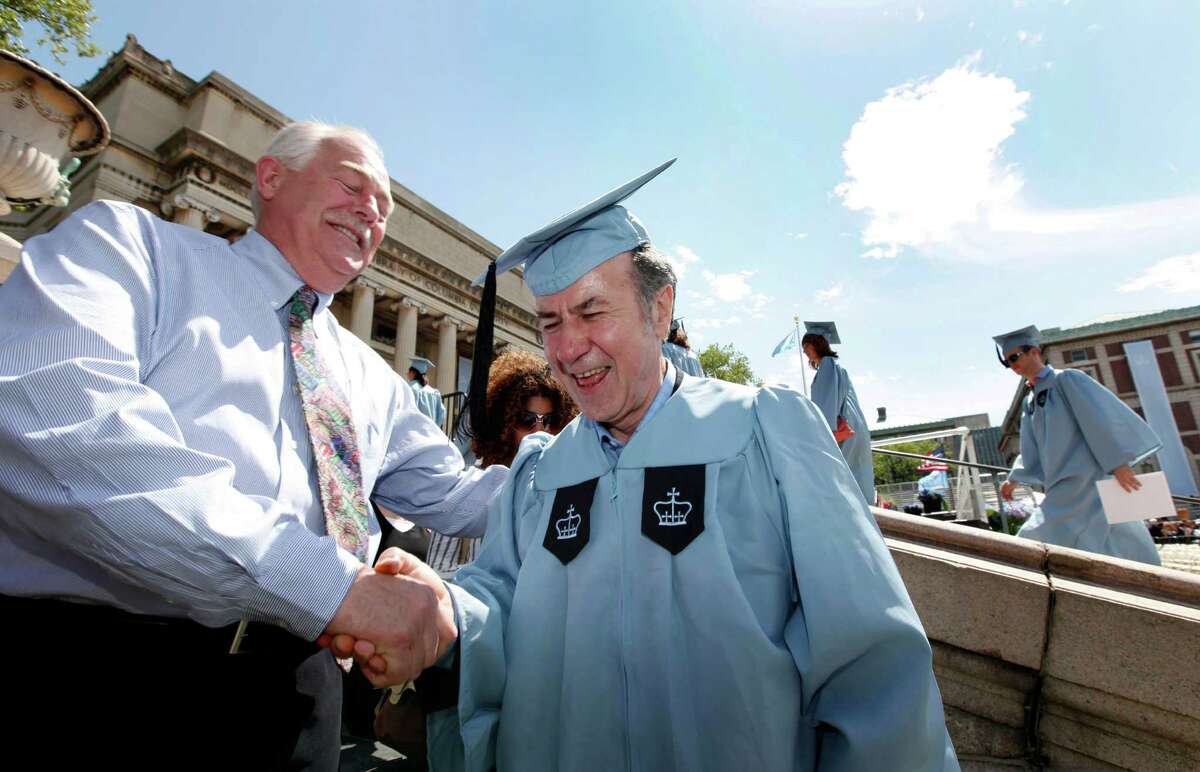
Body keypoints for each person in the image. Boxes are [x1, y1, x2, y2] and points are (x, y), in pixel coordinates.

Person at [334, 160, 957, 769]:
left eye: (591, 311)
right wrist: (443, 614)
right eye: (550, 321)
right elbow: (501, 602)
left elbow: (872, 671)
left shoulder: (764, 434)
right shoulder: (540, 473)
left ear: (659, 309)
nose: (568, 347)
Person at [0, 121, 504, 766]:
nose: (370, 213)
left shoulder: (370, 377)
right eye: (352, 186)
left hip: (301, 688)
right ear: (271, 177)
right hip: (109, 663)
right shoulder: (132, 247)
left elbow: (457, 494)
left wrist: (590, 460)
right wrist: (333, 588)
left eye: (383, 210)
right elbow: (64, 425)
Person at [995, 325, 1162, 565]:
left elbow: (1097, 419)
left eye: (1014, 357)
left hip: (1086, 475)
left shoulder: (1066, 380)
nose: (1012, 365)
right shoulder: (1030, 399)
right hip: (1061, 479)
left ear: (1034, 351)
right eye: (1007, 362)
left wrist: (1118, 463)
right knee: (1113, 532)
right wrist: (1015, 478)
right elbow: (1030, 445)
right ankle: (1145, 573)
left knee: (1039, 535)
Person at [427, 349, 578, 576]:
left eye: (550, 421)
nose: (540, 432)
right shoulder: (472, 487)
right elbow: (438, 571)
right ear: (503, 422)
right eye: (526, 420)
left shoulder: (565, 490)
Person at [802, 322, 876, 505]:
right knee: (857, 474)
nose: (804, 351)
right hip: (855, 427)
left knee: (839, 477)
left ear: (817, 344)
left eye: (807, 346)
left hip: (842, 430)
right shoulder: (836, 367)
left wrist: (823, 432)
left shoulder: (827, 366)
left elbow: (826, 403)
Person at [408, 355, 447, 428]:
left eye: (408, 372)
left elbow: (409, 410)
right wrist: (435, 427)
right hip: (430, 431)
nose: (407, 374)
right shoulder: (434, 392)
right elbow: (442, 412)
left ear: (413, 373)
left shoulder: (410, 388)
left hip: (415, 429)